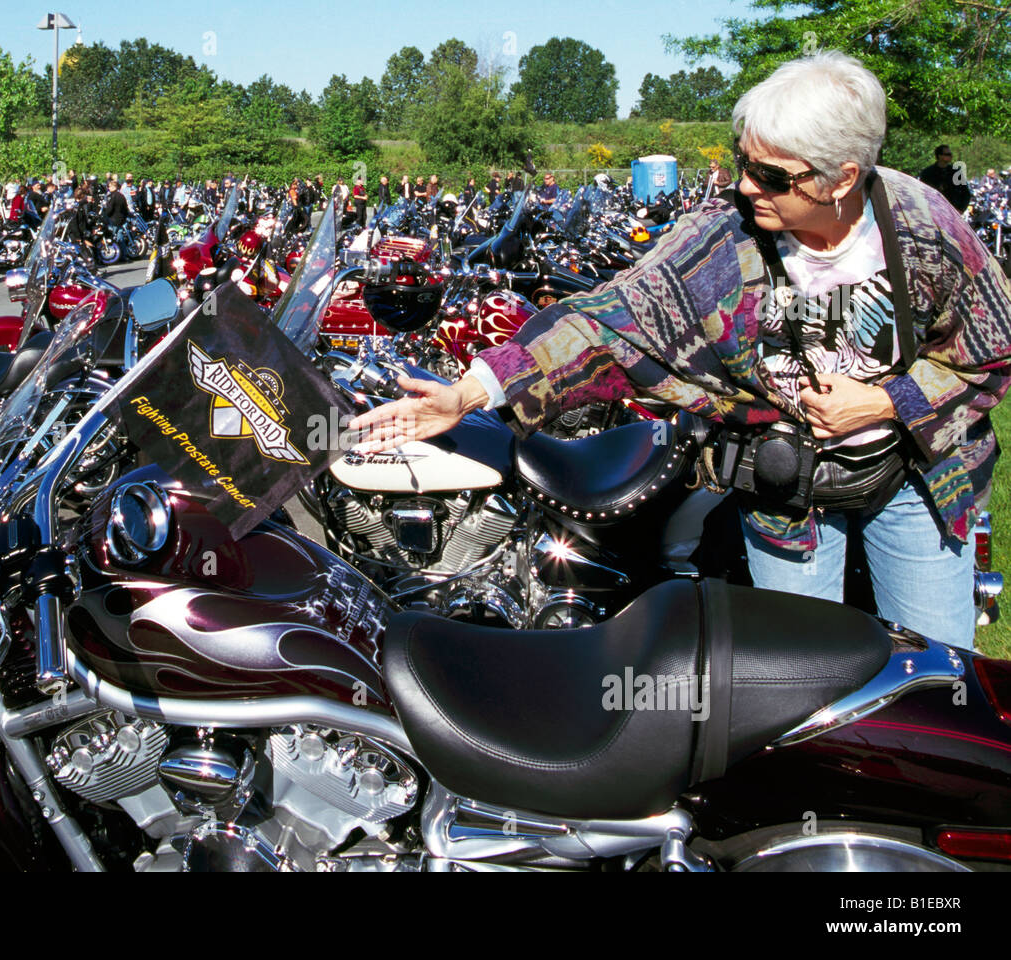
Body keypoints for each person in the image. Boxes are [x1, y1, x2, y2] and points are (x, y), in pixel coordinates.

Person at [349, 51, 1011, 651]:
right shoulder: (723, 242)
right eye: (742, 159)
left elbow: (990, 349)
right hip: (787, 494)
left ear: (841, 178)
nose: (745, 184)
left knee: (934, 680)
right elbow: (606, 323)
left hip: (918, 480)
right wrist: (472, 393)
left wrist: (886, 401)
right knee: (795, 678)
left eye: (770, 174)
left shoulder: (925, 227)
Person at [919, 145, 972, 213]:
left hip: (952, 211)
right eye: (948, 154)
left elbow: (966, 193)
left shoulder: (956, 172)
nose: (951, 156)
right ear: (940, 156)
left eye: (950, 154)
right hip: (934, 211)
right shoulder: (927, 173)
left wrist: (961, 209)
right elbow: (922, 193)